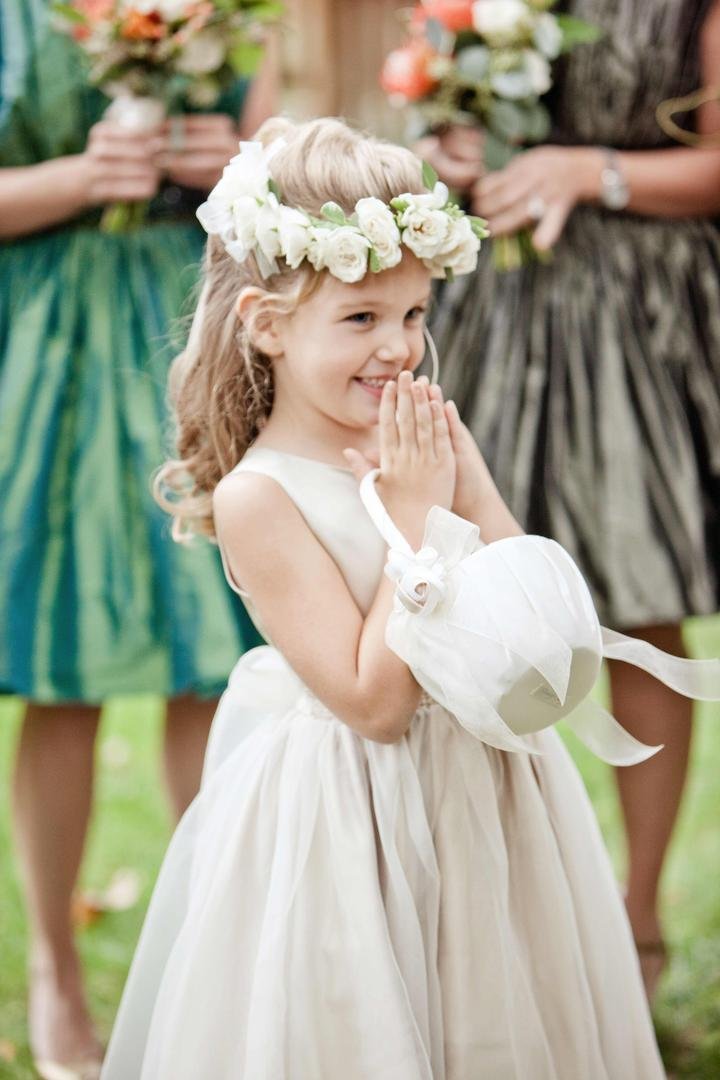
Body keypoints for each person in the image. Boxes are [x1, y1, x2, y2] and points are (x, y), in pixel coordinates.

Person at [99, 116, 668, 1079]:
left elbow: (521, 601)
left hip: (484, 785)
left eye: (413, 313)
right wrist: (415, 522)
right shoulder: (259, 496)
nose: (399, 347)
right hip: (351, 809)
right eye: (361, 318)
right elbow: (372, 705)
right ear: (267, 326)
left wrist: (454, 494)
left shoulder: (425, 436)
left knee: (489, 996)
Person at [423, 0, 720, 1001]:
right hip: (499, 308)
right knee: (462, 596)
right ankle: (487, 919)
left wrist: (591, 171)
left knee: (638, 602)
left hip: (640, 312)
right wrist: (456, 153)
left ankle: (637, 921)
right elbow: (445, 112)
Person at [0, 3, 275, 1076]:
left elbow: (274, 181)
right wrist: (78, 178)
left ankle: (213, 958)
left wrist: (235, 169)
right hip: (42, 343)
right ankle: (54, 968)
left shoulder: (228, 14)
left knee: (209, 659)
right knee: (63, 664)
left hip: (183, 340)